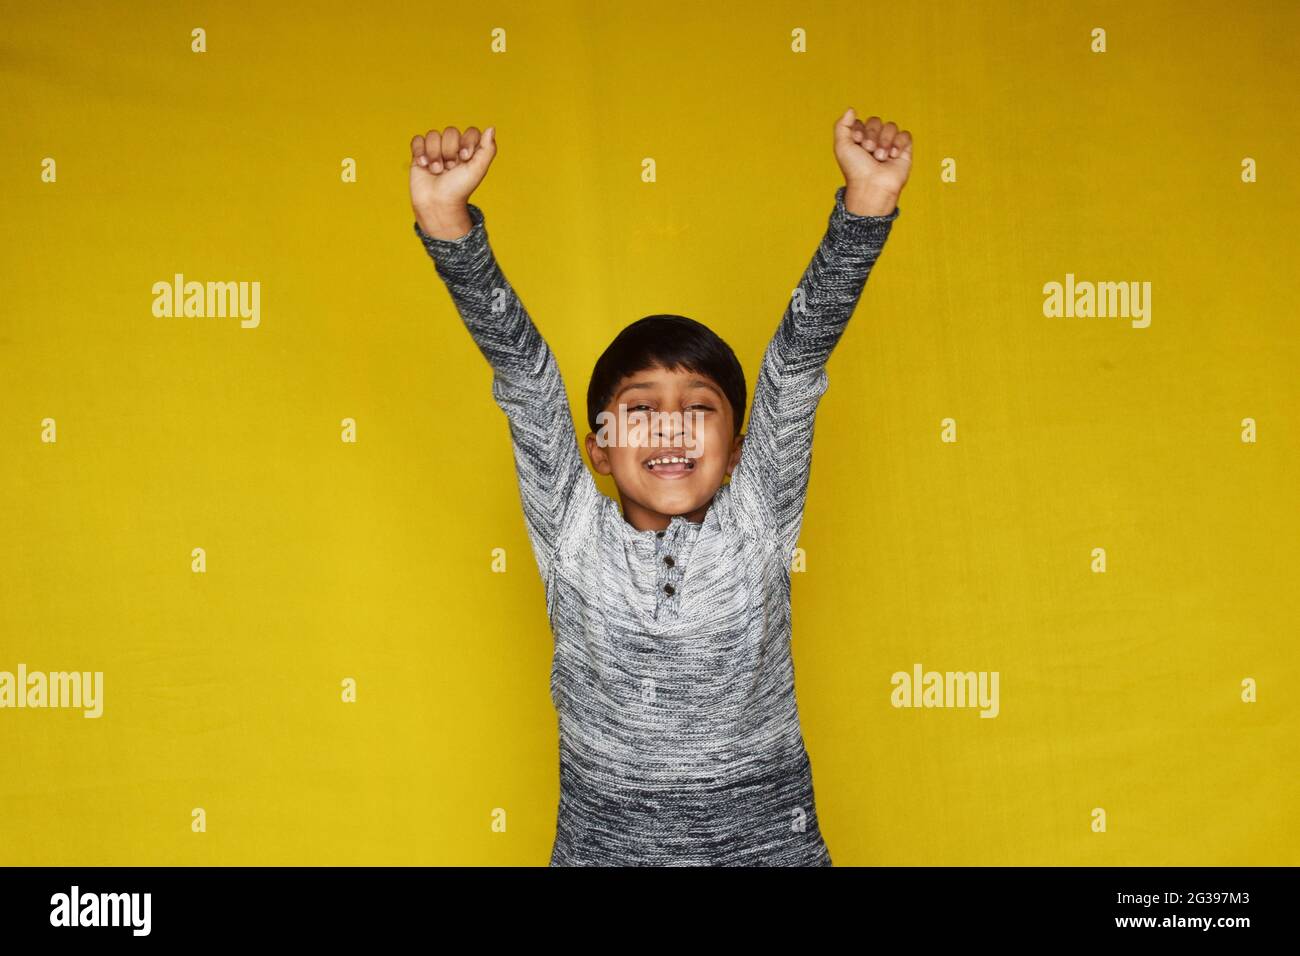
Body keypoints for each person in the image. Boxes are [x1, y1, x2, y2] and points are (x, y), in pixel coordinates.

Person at [409, 109, 911, 865]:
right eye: (640, 410)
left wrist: (865, 207)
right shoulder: (572, 533)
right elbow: (523, 375)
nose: (672, 430)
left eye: (698, 410)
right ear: (599, 451)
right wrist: (447, 221)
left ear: (740, 451)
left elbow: (797, 366)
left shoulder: (758, 523)